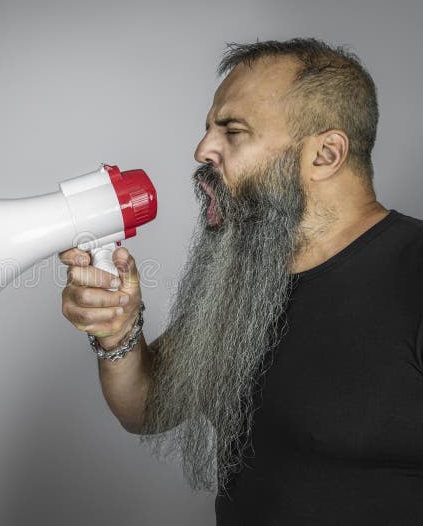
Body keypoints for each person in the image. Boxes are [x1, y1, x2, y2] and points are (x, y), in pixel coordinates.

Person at [59, 38, 423, 524]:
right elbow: (148, 406)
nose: (202, 149)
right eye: (209, 128)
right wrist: (119, 333)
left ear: (325, 154)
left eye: (232, 131)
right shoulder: (247, 275)